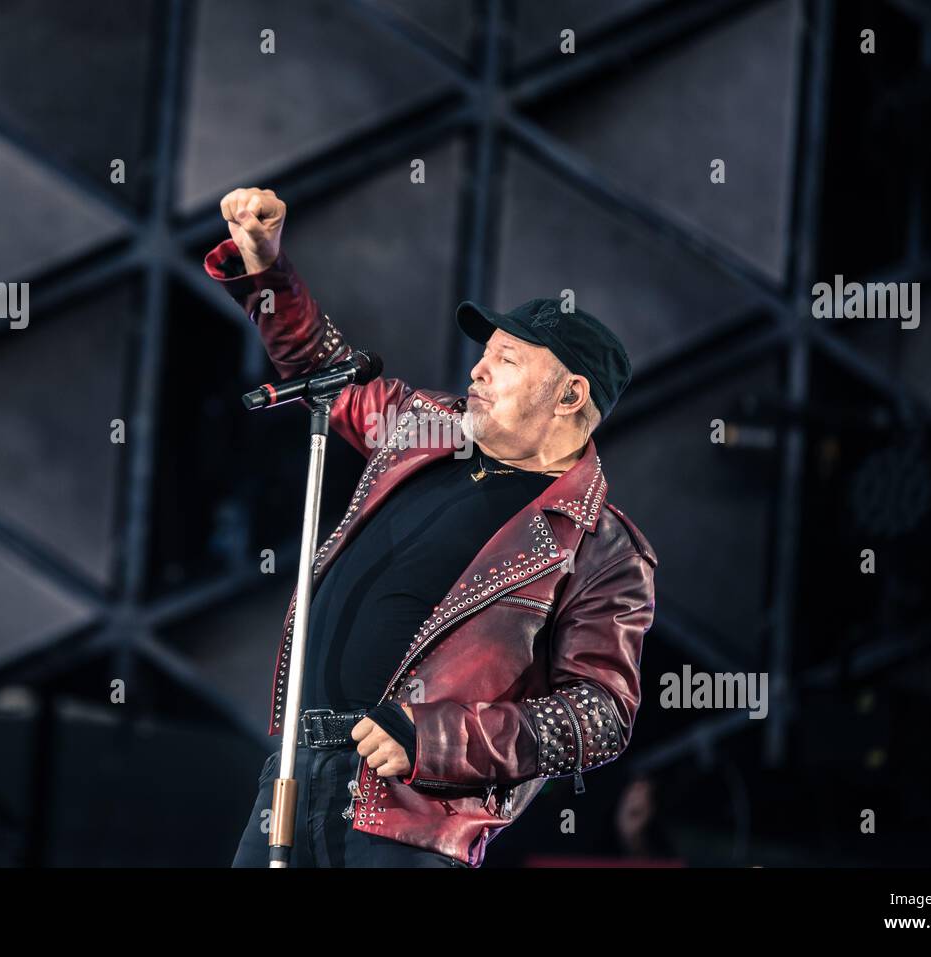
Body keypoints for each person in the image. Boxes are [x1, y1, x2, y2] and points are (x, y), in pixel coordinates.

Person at [212, 187, 657, 868]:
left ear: (570, 395)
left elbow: (598, 715)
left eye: (507, 359)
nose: (477, 367)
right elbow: (322, 371)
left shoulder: (601, 545)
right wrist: (267, 267)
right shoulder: (427, 431)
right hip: (294, 777)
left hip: (407, 819)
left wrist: (434, 739)